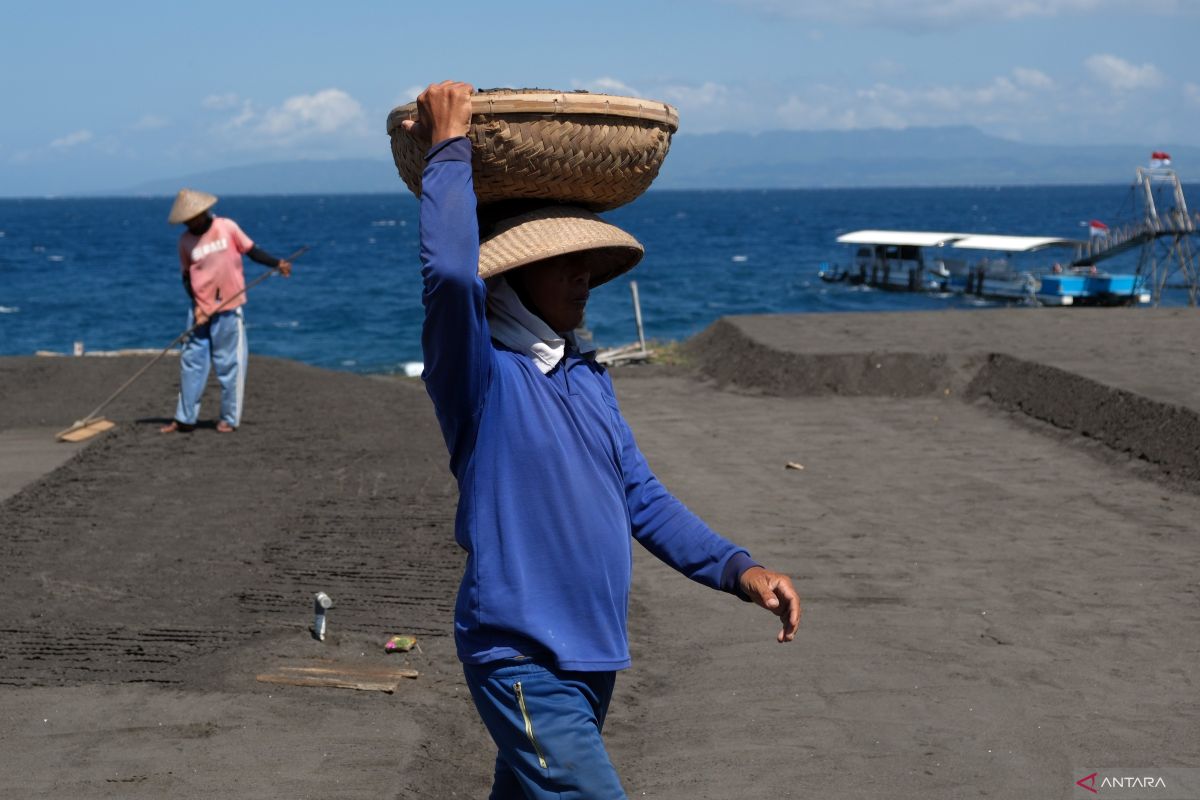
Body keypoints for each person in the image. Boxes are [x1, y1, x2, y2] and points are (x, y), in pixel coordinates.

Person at [406, 80, 801, 799]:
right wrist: (448, 150)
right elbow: (451, 276)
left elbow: (639, 499)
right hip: (519, 656)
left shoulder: (585, 375)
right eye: (564, 259)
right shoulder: (481, 375)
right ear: (515, 269)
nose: (585, 273)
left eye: (587, 256)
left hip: (590, 658)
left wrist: (738, 570)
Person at [160, 189, 292, 434]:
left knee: (229, 363)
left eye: (194, 217)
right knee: (192, 362)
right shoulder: (185, 241)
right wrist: (198, 307)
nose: (191, 222)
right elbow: (188, 278)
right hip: (200, 311)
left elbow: (251, 250)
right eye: (187, 220)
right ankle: (185, 418)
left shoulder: (226, 227)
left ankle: (228, 419)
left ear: (203, 212)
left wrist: (277, 263)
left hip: (228, 309)